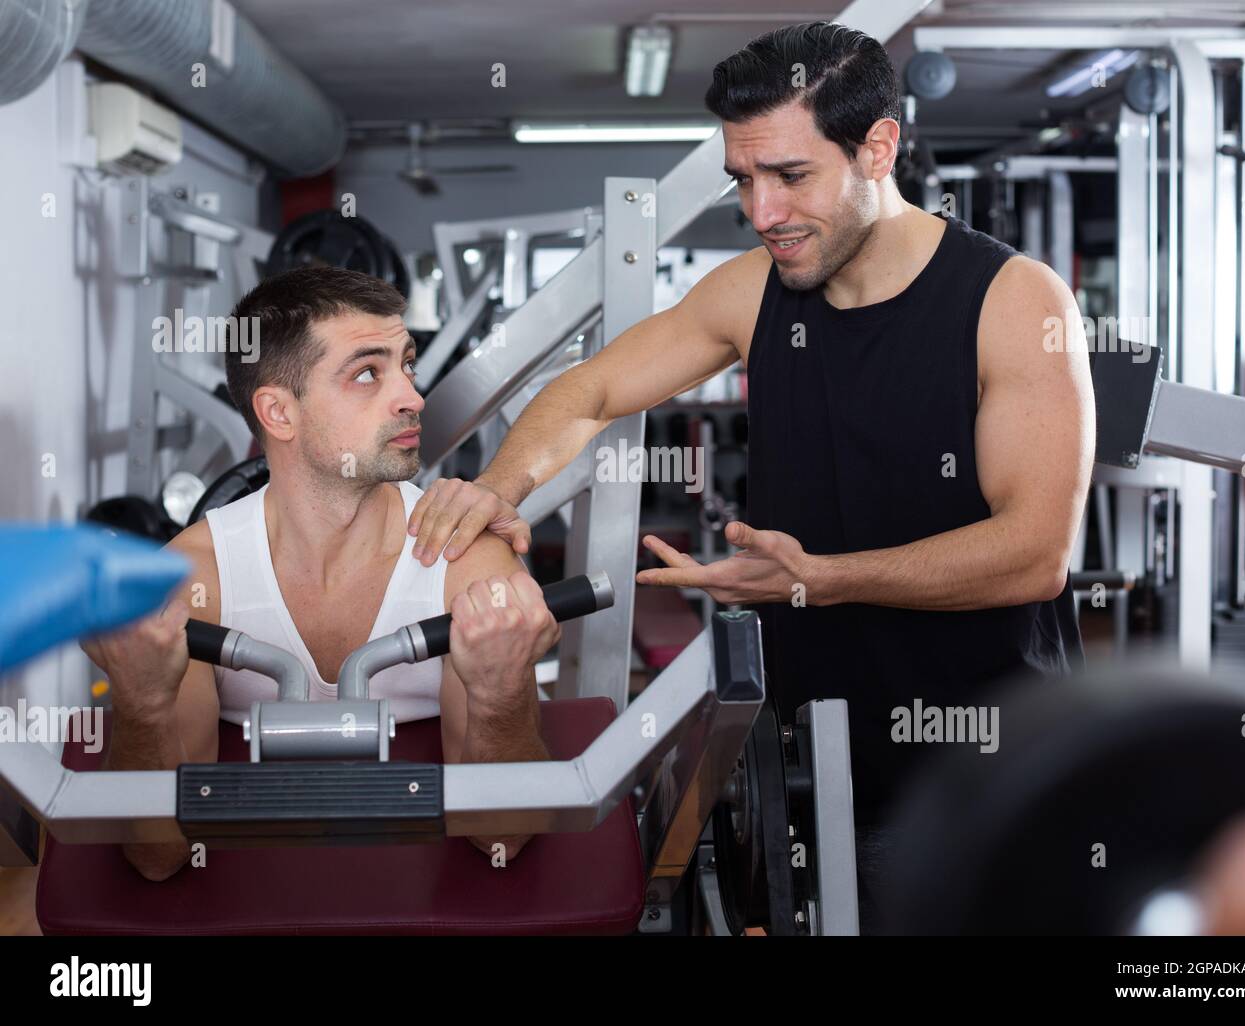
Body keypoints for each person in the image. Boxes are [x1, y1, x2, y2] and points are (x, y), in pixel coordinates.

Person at [407, 22, 1094, 931]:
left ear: (877, 147)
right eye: (744, 180)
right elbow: (588, 391)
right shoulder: (750, 294)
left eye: (791, 176)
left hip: (990, 771)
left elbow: (1034, 553)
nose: (762, 211)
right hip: (823, 761)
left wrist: (822, 578)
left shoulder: (1013, 301)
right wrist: (501, 487)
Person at [81, 266, 558, 881]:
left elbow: (503, 838)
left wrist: (501, 696)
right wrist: (141, 706)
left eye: (406, 364)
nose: (413, 396)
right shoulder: (195, 579)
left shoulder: (464, 557)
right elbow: (158, 857)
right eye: (367, 373)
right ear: (279, 413)